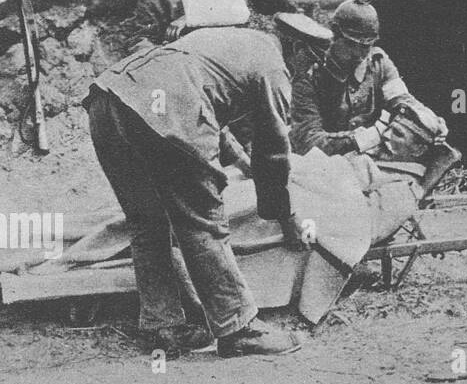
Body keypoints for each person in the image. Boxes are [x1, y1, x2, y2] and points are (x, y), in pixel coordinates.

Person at [85, 18, 309, 358]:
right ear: (299, 49)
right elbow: (274, 150)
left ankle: (163, 327)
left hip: (109, 98)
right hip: (164, 107)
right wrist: (285, 216)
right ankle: (239, 329)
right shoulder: (275, 68)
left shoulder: (227, 40)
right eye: (312, 61)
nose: (309, 72)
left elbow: (198, 96)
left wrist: (240, 163)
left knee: (147, 223)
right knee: (204, 221)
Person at [291, 0, 461, 195]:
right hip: (323, 170)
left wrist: (429, 118)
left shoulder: (378, 62)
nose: (361, 54)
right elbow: (308, 143)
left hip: (369, 165)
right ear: (335, 35)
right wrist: (368, 136)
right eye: (353, 44)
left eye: (367, 45)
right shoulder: (310, 75)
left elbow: (401, 99)